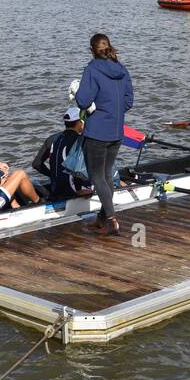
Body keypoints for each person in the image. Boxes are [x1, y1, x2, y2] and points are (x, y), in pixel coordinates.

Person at [73, 33, 134, 235]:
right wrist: (113, 112)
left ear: (91, 50)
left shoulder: (91, 69)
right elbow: (128, 101)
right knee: (107, 176)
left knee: (97, 177)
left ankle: (111, 218)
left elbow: (82, 101)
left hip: (97, 132)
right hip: (117, 131)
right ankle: (101, 219)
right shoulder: (122, 69)